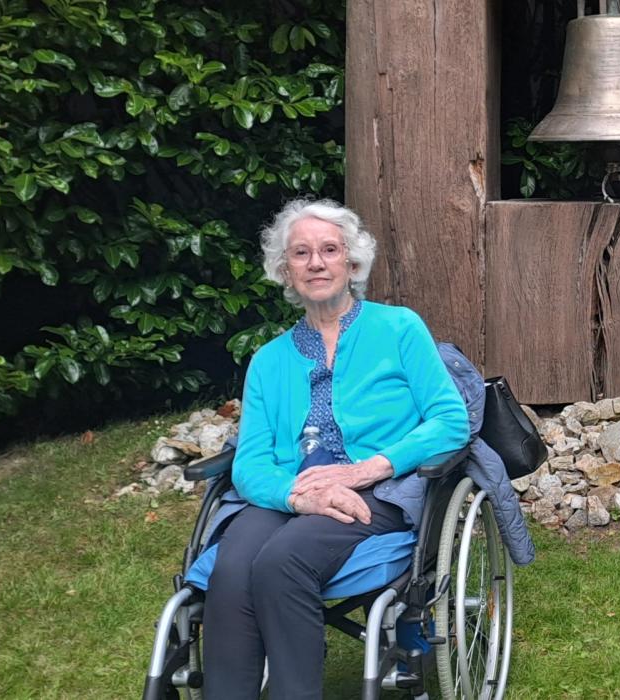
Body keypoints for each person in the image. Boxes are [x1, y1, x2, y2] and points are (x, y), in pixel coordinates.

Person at [202, 198, 469, 699]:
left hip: (378, 489)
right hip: (291, 491)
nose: (316, 262)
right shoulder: (268, 360)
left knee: (283, 561)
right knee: (232, 567)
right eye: (301, 254)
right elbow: (252, 461)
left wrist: (367, 470)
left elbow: (451, 422)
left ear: (352, 262)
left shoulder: (399, 328)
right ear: (286, 270)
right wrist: (296, 498)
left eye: (329, 249)